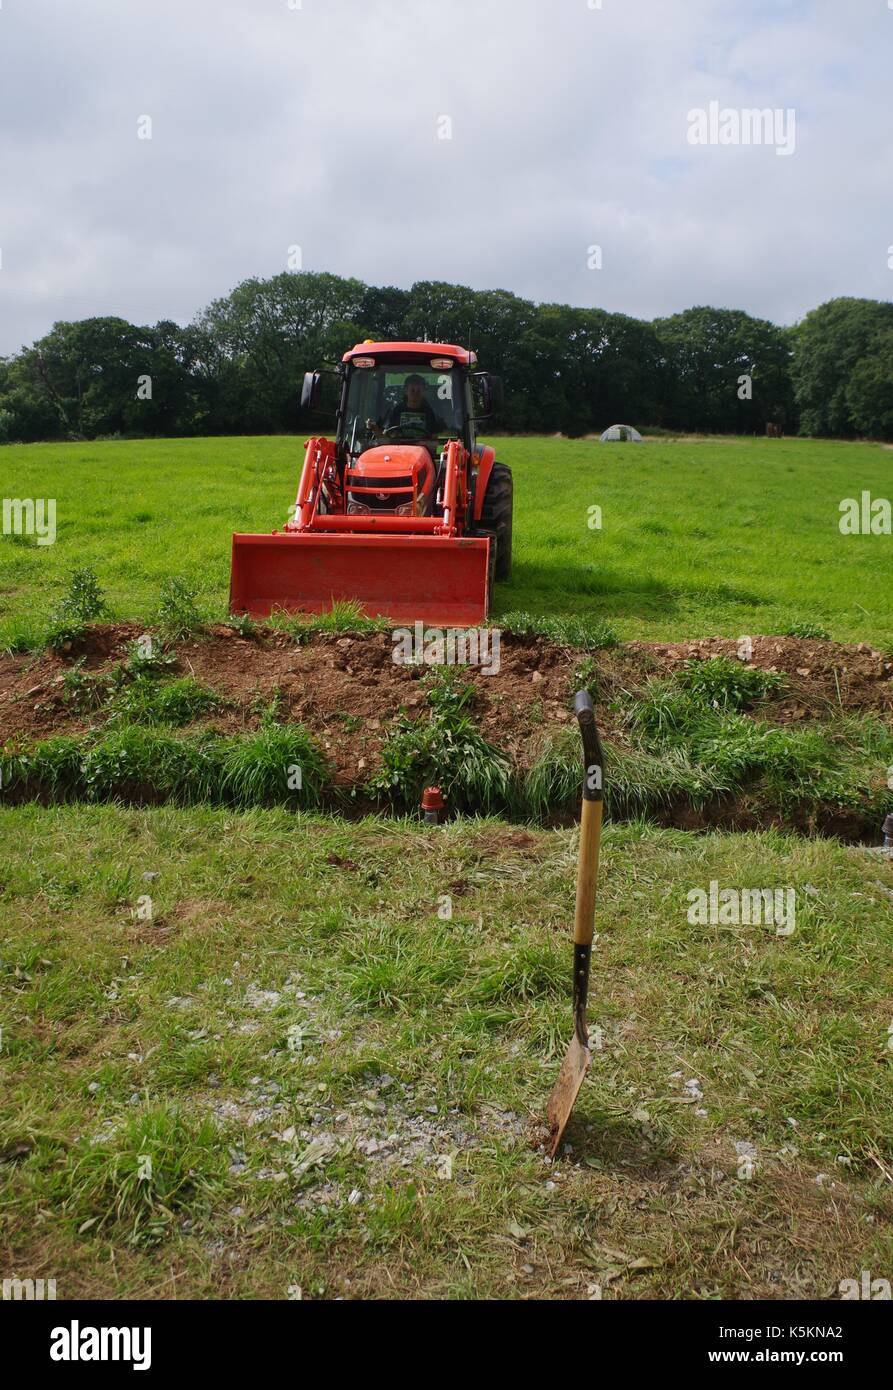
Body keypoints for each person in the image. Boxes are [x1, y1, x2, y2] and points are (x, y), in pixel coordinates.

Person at [367, 374, 443, 440]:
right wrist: (375, 429)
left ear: (424, 392)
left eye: (419, 390)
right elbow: (386, 438)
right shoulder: (396, 411)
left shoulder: (429, 413)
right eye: (412, 390)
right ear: (406, 391)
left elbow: (435, 439)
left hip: (424, 451)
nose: (415, 393)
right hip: (398, 450)